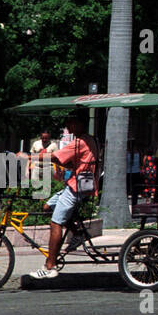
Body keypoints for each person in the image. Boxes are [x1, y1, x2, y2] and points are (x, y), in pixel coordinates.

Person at [28, 115, 98, 279]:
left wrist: (28, 157)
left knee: (56, 222)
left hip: (76, 187)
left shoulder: (80, 142)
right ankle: (77, 233)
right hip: (75, 184)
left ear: (79, 124)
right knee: (47, 207)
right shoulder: (89, 140)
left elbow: (55, 157)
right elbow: (69, 162)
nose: (68, 127)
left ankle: (50, 266)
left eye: (70, 123)